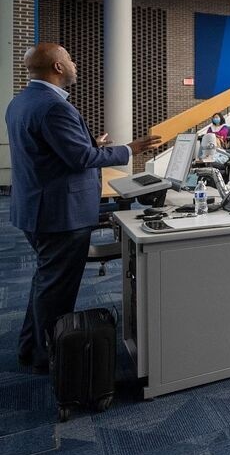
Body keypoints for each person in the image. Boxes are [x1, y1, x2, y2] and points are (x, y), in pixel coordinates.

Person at [6, 43, 161, 373]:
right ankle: (50, 357)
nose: (75, 64)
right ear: (58, 67)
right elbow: (80, 159)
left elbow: (50, 152)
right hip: (59, 214)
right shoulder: (54, 107)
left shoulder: (20, 101)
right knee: (57, 290)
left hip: (36, 208)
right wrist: (127, 149)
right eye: (70, 60)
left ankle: (31, 346)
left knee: (46, 281)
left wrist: (91, 144)